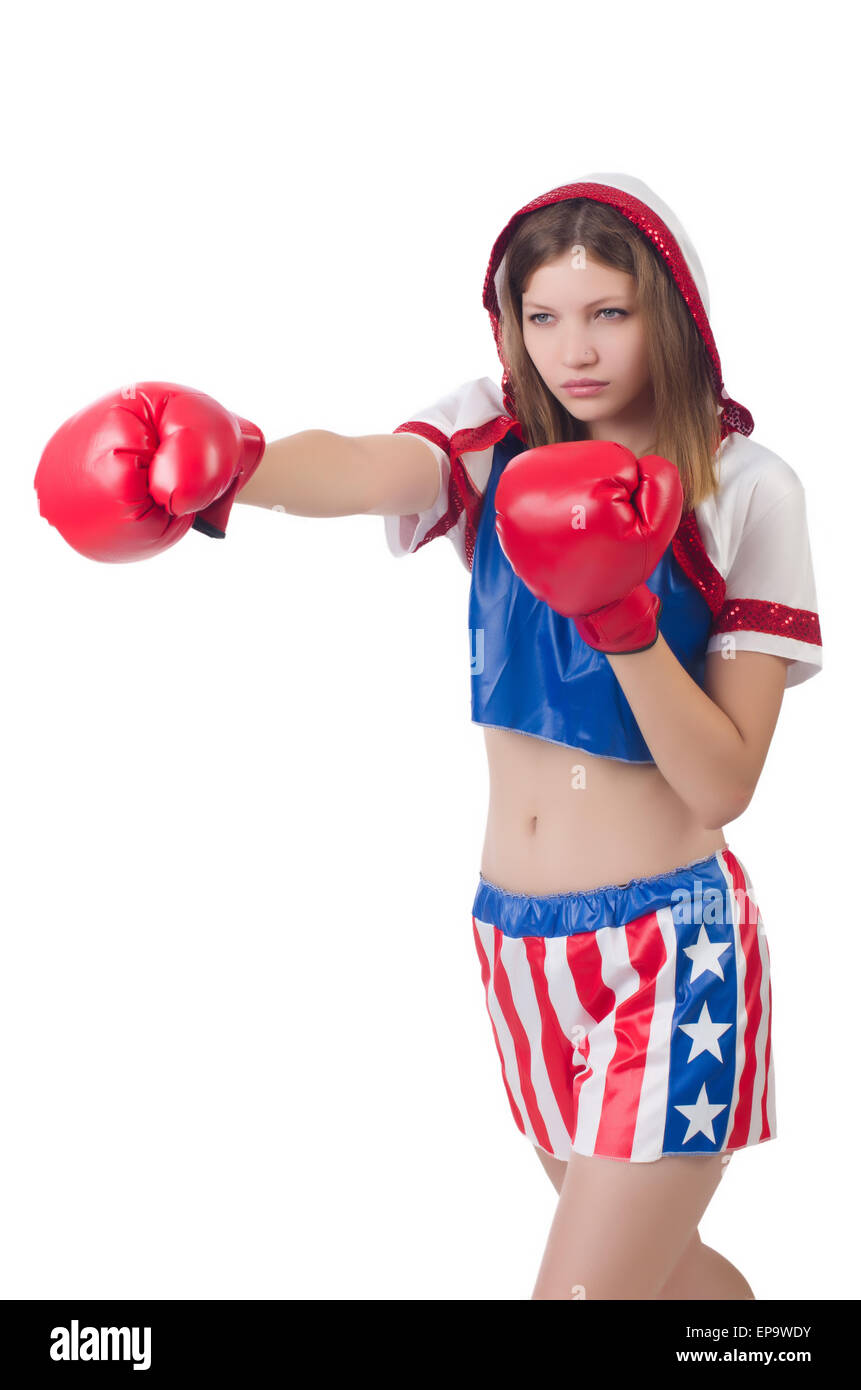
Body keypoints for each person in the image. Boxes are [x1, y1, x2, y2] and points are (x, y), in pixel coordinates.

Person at [34, 172, 823, 1301]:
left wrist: (625, 621)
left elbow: (724, 783)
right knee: (668, 1277)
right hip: (517, 945)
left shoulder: (747, 488)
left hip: (672, 949)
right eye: (541, 316)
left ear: (670, 312)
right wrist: (239, 464)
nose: (574, 351)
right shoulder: (489, 435)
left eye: (609, 313)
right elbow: (362, 466)